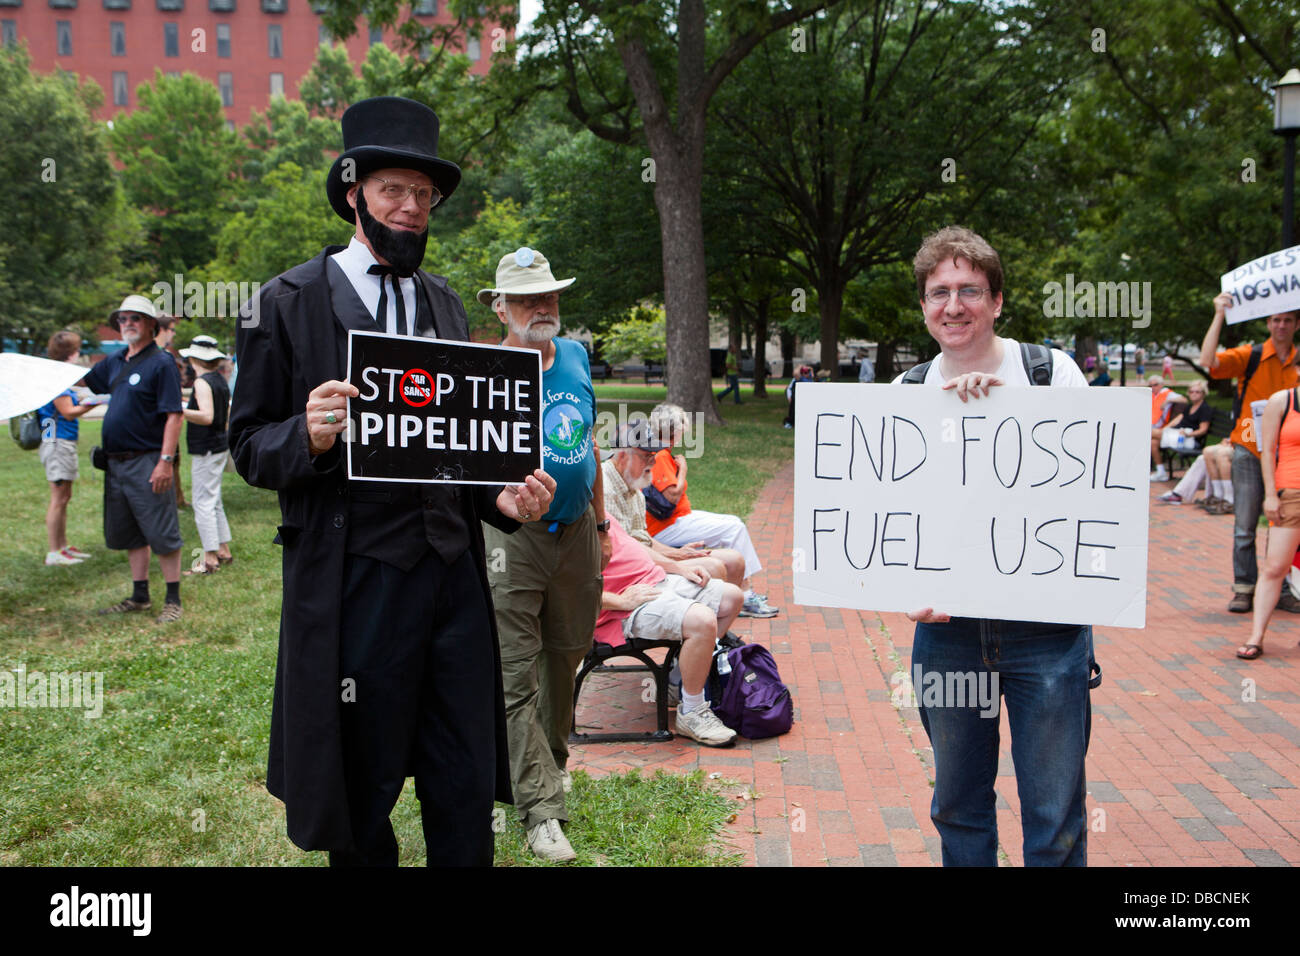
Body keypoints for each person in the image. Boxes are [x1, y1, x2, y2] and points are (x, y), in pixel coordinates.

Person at [229, 96, 555, 867]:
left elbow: (457, 446)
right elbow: (246, 444)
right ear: (354, 194)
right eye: (392, 193)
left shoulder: (444, 301)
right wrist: (301, 436)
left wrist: (499, 499)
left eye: (423, 196)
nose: (410, 210)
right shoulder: (286, 302)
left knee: (462, 773)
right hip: (353, 584)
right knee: (357, 779)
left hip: (450, 582)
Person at [899, 225, 1095, 867]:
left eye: (970, 290)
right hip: (948, 633)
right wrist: (904, 586)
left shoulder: (1049, 373)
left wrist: (1000, 410)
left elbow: (1089, 487)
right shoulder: (904, 396)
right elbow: (893, 515)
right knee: (957, 807)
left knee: (1055, 814)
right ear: (924, 305)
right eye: (939, 292)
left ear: (998, 301)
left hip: (1048, 633)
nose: (953, 305)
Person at [475, 246, 607, 863]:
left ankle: (552, 763)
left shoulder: (576, 356)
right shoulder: (485, 373)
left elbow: (590, 444)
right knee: (516, 670)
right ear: (501, 307)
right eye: (528, 299)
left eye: (550, 295)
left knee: (567, 656)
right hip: (513, 541)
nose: (543, 307)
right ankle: (538, 810)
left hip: (578, 533)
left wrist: (602, 522)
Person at [83, 295, 185, 623]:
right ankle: (139, 595)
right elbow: (84, 381)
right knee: (129, 532)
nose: (128, 323)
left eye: (135, 318)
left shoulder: (162, 362)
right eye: (123, 319)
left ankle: (173, 599)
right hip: (115, 463)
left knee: (162, 530)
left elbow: (174, 415)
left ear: (151, 324)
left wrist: (165, 461)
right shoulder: (115, 361)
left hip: (148, 460)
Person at [597, 516, 743, 746]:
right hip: (621, 608)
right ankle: (692, 712)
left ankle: (675, 684)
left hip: (654, 580)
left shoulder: (594, 508)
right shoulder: (557, 521)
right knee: (702, 621)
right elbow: (563, 589)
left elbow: (635, 546)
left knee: (732, 598)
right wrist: (621, 600)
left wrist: (679, 568)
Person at [1200, 292, 1300, 613]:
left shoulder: (1298, 362)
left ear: (1296, 325)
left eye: (1287, 320)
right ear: (1268, 323)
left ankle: (1279, 587)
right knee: (1244, 525)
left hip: (1285, 458)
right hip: (1250, 450)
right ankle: (1244, 587)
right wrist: (1218, 314)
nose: (1280, 325)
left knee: (1281, 525)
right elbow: (1208, 361)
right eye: (1275, 320)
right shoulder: (1252, 355)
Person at [647, 402, 779, 618]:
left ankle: (741, 593)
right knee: (733, 528)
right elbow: (671, 496)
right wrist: (684, 470)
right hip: (667, 526)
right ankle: (744, 596)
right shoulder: (660, 454)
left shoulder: (660, 450)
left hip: (676, 520)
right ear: (675, 430)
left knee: (733, 523)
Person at [602, 422, 746, 589]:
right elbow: (626, 551)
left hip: (646, 553)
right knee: (715, 568)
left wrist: (679, 553)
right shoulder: (605, 489)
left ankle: (730, 604)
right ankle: (712, 608)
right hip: (629, 573)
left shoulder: (633, 486)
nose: (653, 463)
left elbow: (643, 539)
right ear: (622, 456)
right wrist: (676, 563)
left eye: (654, 456)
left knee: (735, 560)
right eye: (646, 456)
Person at [1239, 382, 1300, 659]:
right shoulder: (1282, 401)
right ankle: (1256, 637)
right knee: (1275, 567)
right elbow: (1268, 451)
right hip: (1290, 495)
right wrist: (1271, 494)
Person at [37, 330, 93, 566]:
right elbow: (68, 413)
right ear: (71, 353)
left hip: (57, 442)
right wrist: (94, 403)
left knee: (64, 496)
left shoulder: (56, 377)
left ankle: (62, 547)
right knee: (58, 498)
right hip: (57, 444)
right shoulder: (57, 381)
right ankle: (54, 552)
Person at [179, 335, 233, 575]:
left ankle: (209, 558)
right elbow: (226, 413)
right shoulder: (220, 380)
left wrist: (180, 409)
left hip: (206, 447)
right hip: (219, 445)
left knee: (202, 502)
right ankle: (223, 549)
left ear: (193, 359)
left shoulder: (201, 383)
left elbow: (207, 416)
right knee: (214, 499)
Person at [154, 313, 188, 508]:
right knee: (168, 460)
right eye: (172, 330)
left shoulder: (162, 356)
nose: (173, 335)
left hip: (167, 417)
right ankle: (169, 502)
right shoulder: (162, 358)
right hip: (163, 422)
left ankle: (177, 498)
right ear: (163, 330)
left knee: (175, 461)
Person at [1150, 379, 1209, 480]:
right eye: (1191, 391)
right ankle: (1161, 472)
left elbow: (1203, 430)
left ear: (1203, 393)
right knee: (1153, 442)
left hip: (1189, 439)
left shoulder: (1204, 409)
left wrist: (1187, 434)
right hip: (1178, 435)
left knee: (1150, 433)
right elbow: (1179, 418)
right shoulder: (1190, 407)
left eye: (1197, 392)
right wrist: (1165, 429)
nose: (1194, 394)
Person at [1148, 375, 1187, 481]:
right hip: (1152, 427)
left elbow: (1184, 399)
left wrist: (1169, 401)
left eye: (1155, 385)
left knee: (1144, 434)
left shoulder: (1167, 393)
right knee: (1153, 443)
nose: (1152, 387)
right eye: (1150, 385)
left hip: (1160, 428)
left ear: (1161, 384)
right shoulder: (1151, 394)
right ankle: (1161, 472)